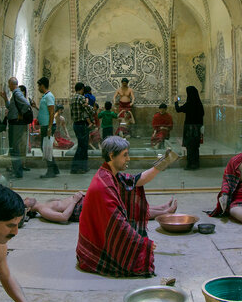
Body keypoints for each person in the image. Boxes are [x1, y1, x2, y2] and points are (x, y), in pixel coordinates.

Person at [75, 136, 179, 277]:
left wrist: (163, 162)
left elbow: (137, 180)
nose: (128, 158)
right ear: (112, 156)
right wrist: (142, 243)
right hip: (93, 249)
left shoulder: (109, 174)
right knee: (138, 261)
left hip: (94, 237)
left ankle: (163, 210)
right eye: (125, 155)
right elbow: (118, 223)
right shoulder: (104, 184)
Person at [4, 77, 31, 179]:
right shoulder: (15, 94)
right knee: (14, 148)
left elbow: (26, 104)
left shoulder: (17, 93)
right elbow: (10, 107)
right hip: (14, 123)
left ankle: (18, 172)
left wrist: (20, 114)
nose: (8, 86)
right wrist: (5, 98)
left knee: (15, 148)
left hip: (16, 124)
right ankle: (17, 170)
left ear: (12, 84)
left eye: (9, 84)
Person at [174, 85, 204, 170]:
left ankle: (190, 164)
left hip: (190, 129)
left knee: (190, 147)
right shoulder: (199, 103)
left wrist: (176, 101)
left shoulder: (189, 103)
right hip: (197, 129)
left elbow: (178, 109)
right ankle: (196, 164)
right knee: (195, 147)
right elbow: (202, 114)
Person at [36, 77, 58, 178]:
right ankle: (54, 168)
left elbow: (51, 112)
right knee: (46, 148)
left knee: (45, 148)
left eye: (38, 85)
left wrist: (49, 127)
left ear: (42, 85)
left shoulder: (49, 96)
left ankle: (51, 171)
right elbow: (44, 111)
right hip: (45, 125)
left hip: (48, 126)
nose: (38, 88)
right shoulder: (46, 96)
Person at [69, 82, 93, 174]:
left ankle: (82, 167)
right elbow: (89, 110)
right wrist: (91, 107)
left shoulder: (72, 98)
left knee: (81, 145)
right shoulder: (81, 98)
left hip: (76, 124)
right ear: (82, 89)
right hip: (82, 124)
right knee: (82, 147)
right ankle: (77, 167)